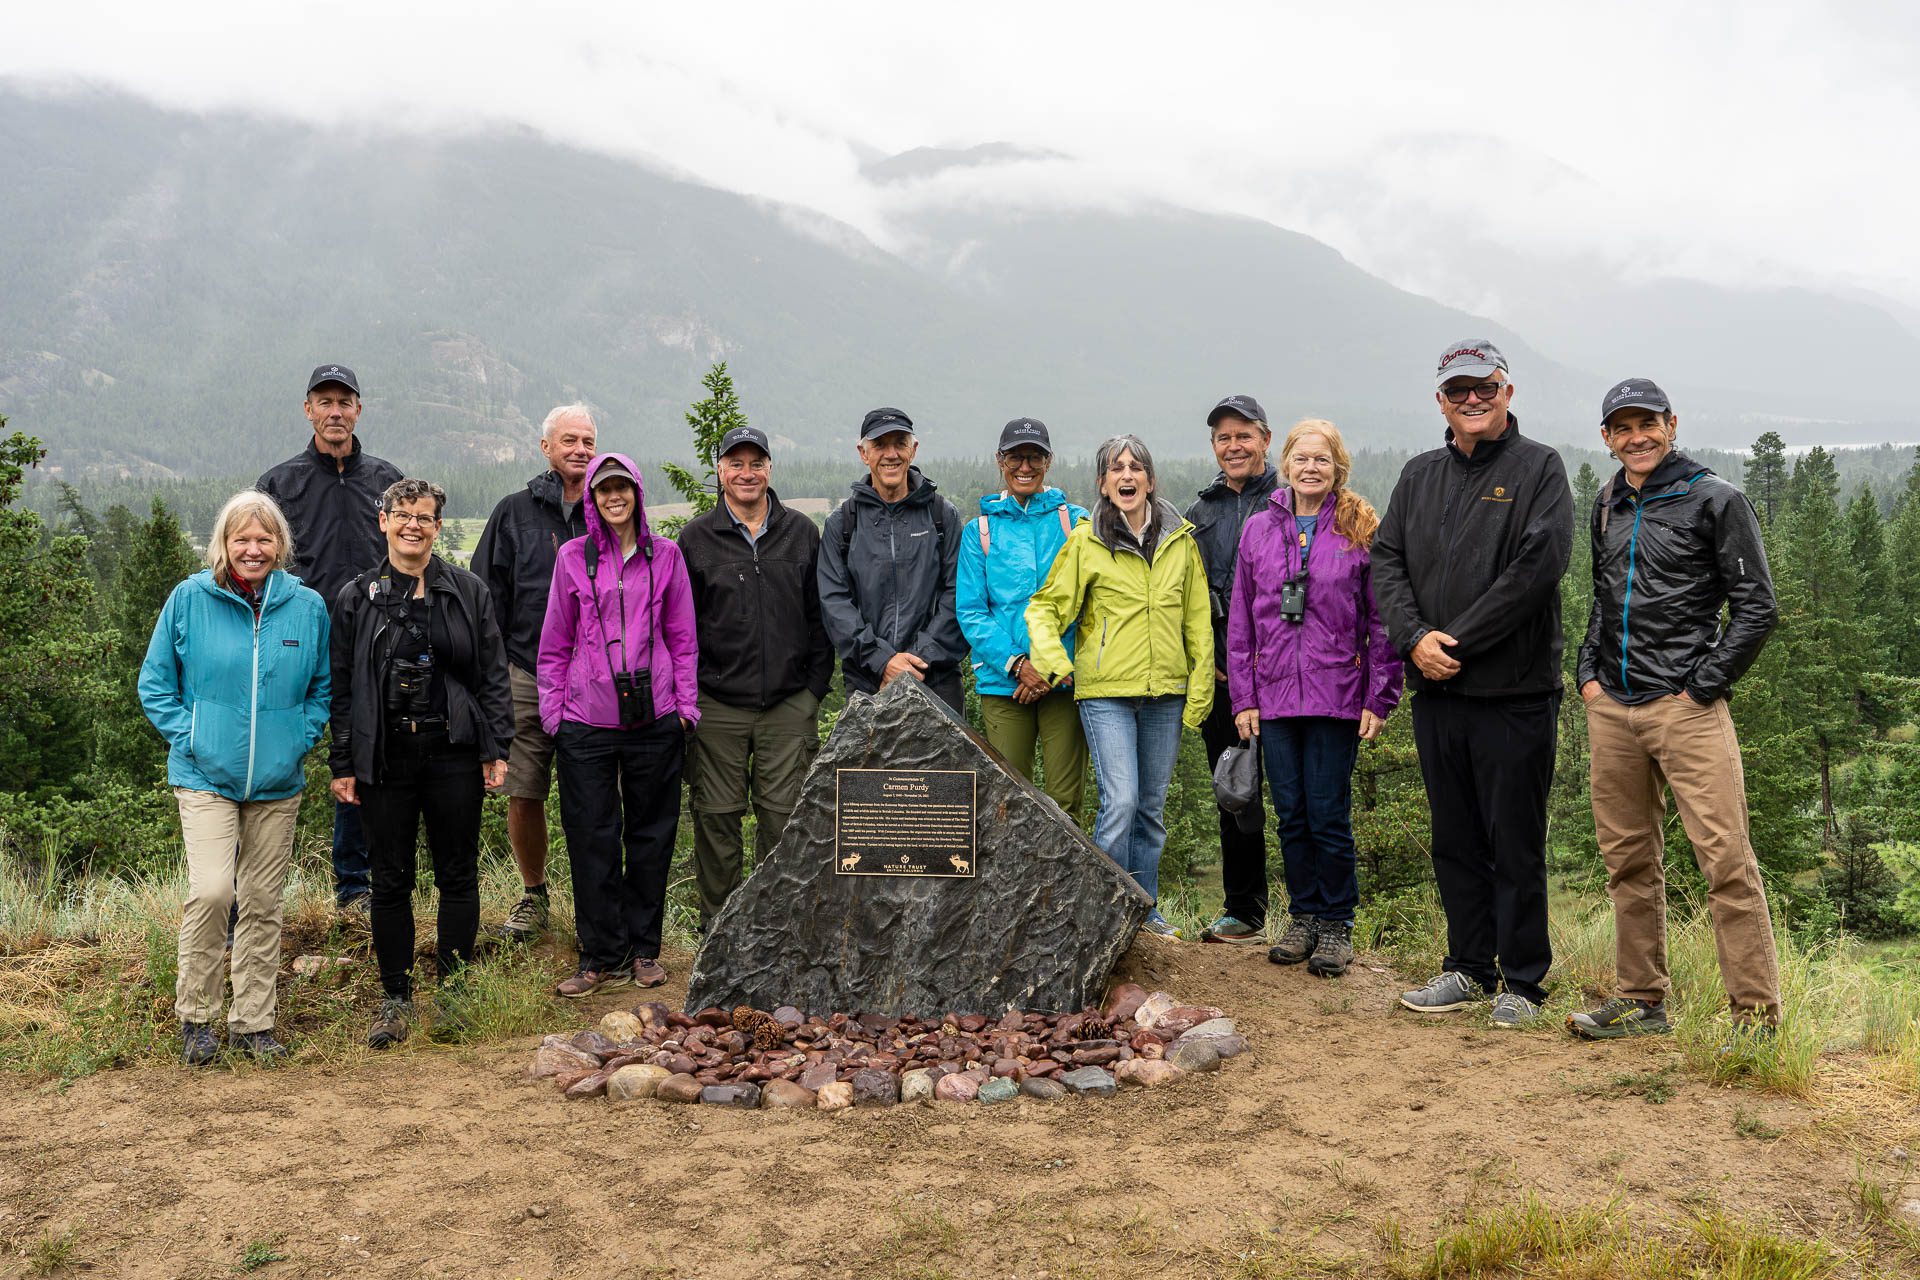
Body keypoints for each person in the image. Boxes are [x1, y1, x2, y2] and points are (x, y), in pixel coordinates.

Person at [1569, 379, 1781, 1042]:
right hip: (1614, 707)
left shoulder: (1715, 498)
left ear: (1671, 423)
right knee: (1628, 861)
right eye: (1622, 427)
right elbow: (1604, 599)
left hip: (1685, 711)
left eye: (1647, 424)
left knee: (1726, 862)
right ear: (1606, 437)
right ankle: (1641, 1001)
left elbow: (1756, 609)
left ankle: (1755, 1021)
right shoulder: (1607, 502)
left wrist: (1702, 688)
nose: (1636, 437)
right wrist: (1587, 678)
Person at [1372, 339, 1572, 1028]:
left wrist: (1450, 642)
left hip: (1515, 692)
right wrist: (1412, 640)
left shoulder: (1539, 468)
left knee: (1514, 840)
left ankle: (1521, 981)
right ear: (1441, 402)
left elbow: (1536, 569)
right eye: (1458, 391)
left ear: (1507, 392)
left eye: (1484, 387)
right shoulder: (1418, 476)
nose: (1472, 400)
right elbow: (1387, 561)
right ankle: (1466, 967)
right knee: (1455, 837)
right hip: (1439, 695)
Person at [137, 491, 331, 1064]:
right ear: (223, 543)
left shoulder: (306, 606)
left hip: (277, 781)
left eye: (264, 539)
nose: (253, 549)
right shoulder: (189, 599)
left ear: (280, 546)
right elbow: (155, 684)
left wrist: (301, 736)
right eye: (241, 538)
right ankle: (197, 1017)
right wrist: (192, 735)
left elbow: (322, 688)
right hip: (203, 776)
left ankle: (253, 1024)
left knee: (264, 901)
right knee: (215, 890)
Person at [329, 479, 513, 1048]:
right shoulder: (356, 597)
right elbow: (340, 687)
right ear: (382, 521)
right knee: (389, 880)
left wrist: (497, 746)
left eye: (424, 517)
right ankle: (396, 998)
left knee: (457, 872)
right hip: (386, 754)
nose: (413, 525)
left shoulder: (467, 591)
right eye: (402, 515)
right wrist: (343, 760)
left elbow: (491, 674)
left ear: (437, 527)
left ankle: (454, 992)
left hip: (454, 750)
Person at [1227, 420, 1402, 978]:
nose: (1310, 468)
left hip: (1336, 695)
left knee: (1328, 815)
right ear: (1286, 464)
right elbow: (1240, 623)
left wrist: (1380, 694)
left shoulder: (1360, 528)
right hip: (1274, 696)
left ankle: (1336, 924)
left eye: (1321, 459)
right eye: (1301, 458)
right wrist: (1243, 697)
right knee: (1291, 816)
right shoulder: (1257, 530)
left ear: (1338, 467)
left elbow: (1382, 622)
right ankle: (1301, 916)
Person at [1026, 435, 1213, 938]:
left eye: (1136, 467)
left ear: (1150, 481)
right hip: (1106, 692)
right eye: (1116, 468)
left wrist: (1199, 688)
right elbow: (1045, 608)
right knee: (1121, 803)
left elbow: (1198, 622)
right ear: (1103, 483)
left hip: (1166, 693)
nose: (1126, 476)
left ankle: (1145, 911)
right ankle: (1105, 913)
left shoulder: (1180, 542)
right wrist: (1053, 662)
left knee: (1150, 811)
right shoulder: (1086, 542)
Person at [539, 454, 699, 996]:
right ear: (591, 496)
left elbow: (682, 638)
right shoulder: (571, 557)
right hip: (585, 720)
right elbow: (555, 642)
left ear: (637, 492)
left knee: (651, 835)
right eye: (603, 489)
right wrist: (554, 713)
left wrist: (685, 708)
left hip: (654, 718)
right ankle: (599, 955)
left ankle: (644, 950)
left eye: (622, 487)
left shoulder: (667, 556)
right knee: (591, 837)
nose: (613, 497)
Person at [257, 363, 403, 913]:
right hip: (299, 638)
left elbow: (412, 552)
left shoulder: (387, 480)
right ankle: (257, 888)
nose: (335, 411)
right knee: (278, 752)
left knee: (360, 758)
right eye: (325, 401)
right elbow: (256, 560)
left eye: (345, 401)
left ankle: (355, 887)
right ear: (308, 410)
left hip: (375, 639)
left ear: (359, 410)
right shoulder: (279, 483)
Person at [678, 425, 834, 930]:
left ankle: (777, 933)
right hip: (718, 705)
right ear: (720, 470)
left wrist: (812, 692)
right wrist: (692, 696)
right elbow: (680, 627)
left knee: (785, 822)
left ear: (770, 468)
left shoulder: (802, 533)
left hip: (788, 704)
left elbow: (820, 620)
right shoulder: (696, 539)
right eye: (736, 463)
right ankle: (719, 933)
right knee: (717, 820)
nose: (747, 473)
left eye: (757, 463)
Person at [470, 403, 597, 943]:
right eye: (569, 440)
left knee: (593, 794)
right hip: (524, 672)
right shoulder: (513, 512)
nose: (580, 450)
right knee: (524, 791)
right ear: (545, 448)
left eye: (588, 441)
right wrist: (492, 674)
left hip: (596, 679)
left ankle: (596, 901)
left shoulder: (614, 507)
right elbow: (483, 596)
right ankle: (534, 895)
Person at [956, 417, 1091, 816]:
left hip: (1062, 682)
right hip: (1004, 684)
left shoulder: (1076, 522)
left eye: (1034, 457)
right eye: (1016, 457)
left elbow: (1086, 604)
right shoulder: (979, 531)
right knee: (1007, 800)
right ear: (1000, 460)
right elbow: (972, 611)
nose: (1025, 467)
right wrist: (1018, 664)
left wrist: (1048, 668)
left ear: (1048, 461)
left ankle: (1062, 880)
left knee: (1065, 801)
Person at [1186, 394, 1282, 945]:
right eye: (1224, 437)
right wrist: (1212, 660)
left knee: (1294, 793)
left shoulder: (1290, 499)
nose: (1234, 445)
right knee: (1235, 787)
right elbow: (1192, 595)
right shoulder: (1201, 513)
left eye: (1244, 434)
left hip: (1288, 676)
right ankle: (1244, 908)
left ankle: (1315, 914)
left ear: (1266, 440)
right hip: (1224, 676)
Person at [818, 407, 966, 715]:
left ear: (913, 449)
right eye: (880, 445)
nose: (891, 454)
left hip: (935, 677)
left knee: (943, 766)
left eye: (899, 443)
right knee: (869, 765)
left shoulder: (941, 516)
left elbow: (959, 594)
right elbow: (835, 603)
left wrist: (915, 661)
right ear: (863, 453)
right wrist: (883, 660)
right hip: (868, 678)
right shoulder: (843, 522)